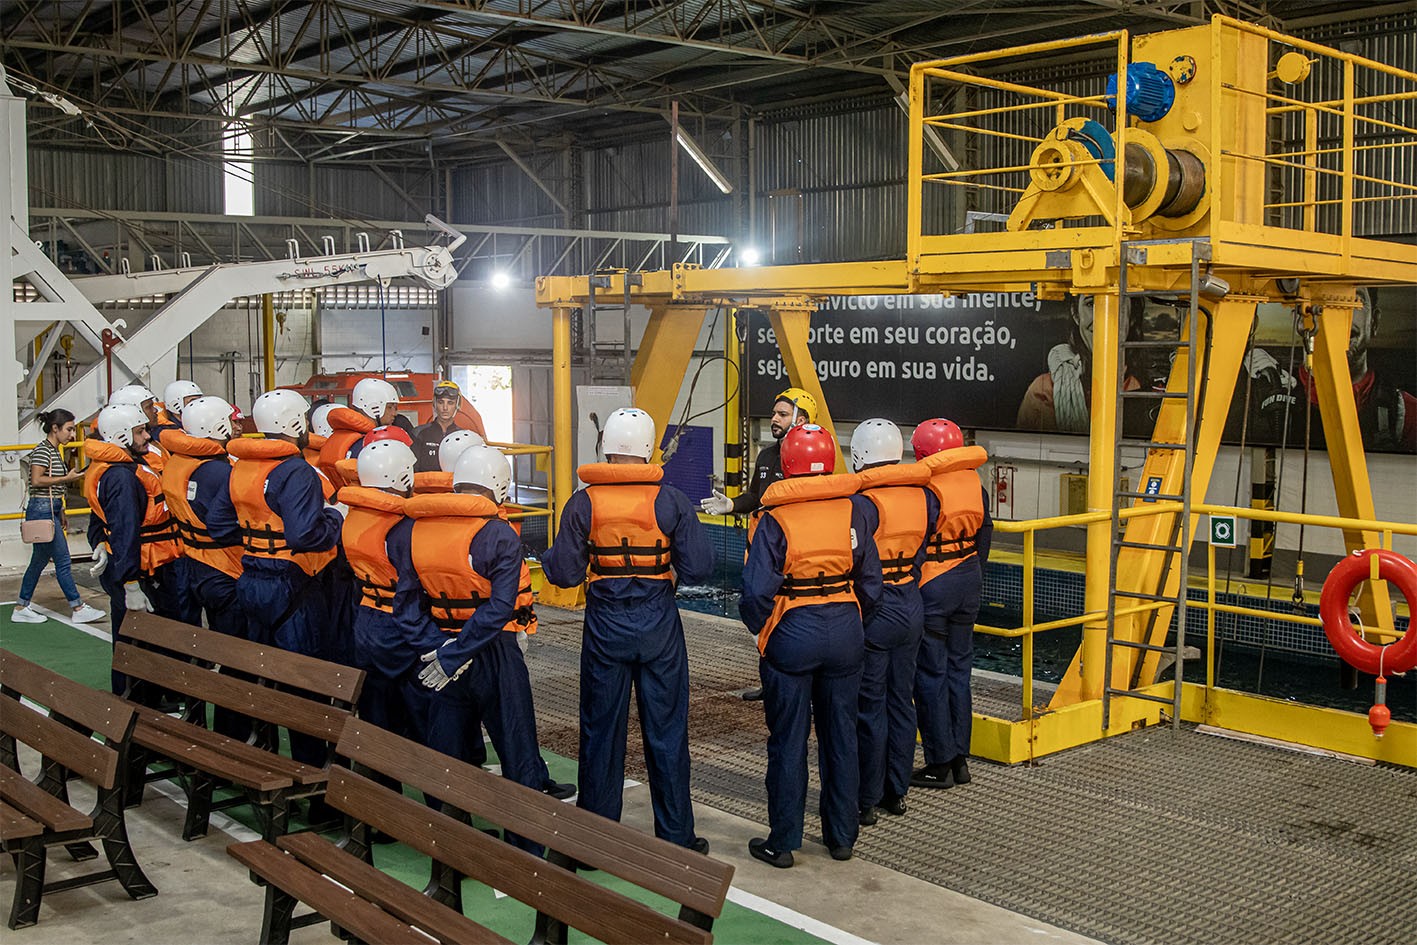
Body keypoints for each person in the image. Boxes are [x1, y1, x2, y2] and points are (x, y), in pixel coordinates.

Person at [543, 407, 714, 852]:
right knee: (667, 730)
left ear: (607, 449)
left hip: (604, 630)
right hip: (659, 627)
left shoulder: (584, 502)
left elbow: (562, 573)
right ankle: (676, 838)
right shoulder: (671, 501)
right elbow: (699, 567)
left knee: (600, 731)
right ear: (648, 449)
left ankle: (595, 842)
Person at [399, 444, 571, 846]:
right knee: (517, 749)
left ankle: (449, 844)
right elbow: (498, 609)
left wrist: (441, 652)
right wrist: (458, 653)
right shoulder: (497, 534)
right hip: (493, 653)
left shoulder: (418, 529)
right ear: (500, 486)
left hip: (439, 653)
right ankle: (525, 847)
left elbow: (406, 605)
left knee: (445, 754)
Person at [739, 423, 881, 869]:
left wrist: (764, 631)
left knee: (788, 741)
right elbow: (871, 581)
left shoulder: (776, 516)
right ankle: (842, 837)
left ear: (787, 465)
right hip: (845, 633)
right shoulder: (854, 509)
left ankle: (783, 843)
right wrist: (854, 619)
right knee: (841, 737)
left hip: (792, 637)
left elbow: (755, 592)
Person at [227, 389, 344, 766]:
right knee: (305, 683)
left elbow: (221, 521)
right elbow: (304, 536)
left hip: (251, 576)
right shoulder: (295, 471)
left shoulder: (242, 465)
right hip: (292, 584)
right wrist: (335, 516)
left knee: (262, 672)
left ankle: (263, 756)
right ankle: (310, 774)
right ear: (294, 423)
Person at [701, 386, 816, 701]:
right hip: (765, 551)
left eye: (782, 413)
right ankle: (771, 682)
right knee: (765, 615)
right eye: (775, 413)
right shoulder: (767, 454)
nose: (774, 418)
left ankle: (803, 685)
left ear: (801, 418)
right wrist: (733, 504)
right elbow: (756, 496)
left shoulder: (815, 456)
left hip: (796, 554)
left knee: (796, 617)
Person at [850, 419, 936, 826]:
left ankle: (865, 799)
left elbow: (856, 560)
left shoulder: (863, 504)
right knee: (902, 701)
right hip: (911, 602)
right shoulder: (924, 496)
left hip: (877, 607)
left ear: (860, 456)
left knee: (870, 707)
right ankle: (896, 791)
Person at [158, 395, 249, 738]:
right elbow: (225, 524)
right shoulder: (218, 471)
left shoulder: (179, 462)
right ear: (217, 426)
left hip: (194, 565)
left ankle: (202, 722)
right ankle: (235, 734)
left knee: (207, 651)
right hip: (224, 571)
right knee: (235, 658)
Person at [910, 419, 992, 790]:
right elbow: (985, 530)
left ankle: (938, 761)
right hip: (969, 577)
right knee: (960, 671)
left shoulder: (926, 488)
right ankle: (960, 759)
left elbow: (915, 542)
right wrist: (973, 567)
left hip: (935, 583)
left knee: (930, 674)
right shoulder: (975, 482)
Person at [84, 403, 183, 692]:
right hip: (141, 568)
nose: (147, 437)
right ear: (121, 436)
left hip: (129, 562)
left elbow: (99, 517)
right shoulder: (123, 477)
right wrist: (131, 582)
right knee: (138, 640)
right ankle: (138, 701)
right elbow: (126, 528)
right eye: (140, 432)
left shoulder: (107, 468)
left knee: (129, 637)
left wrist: (100, 541)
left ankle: (137, 695)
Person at [341, 438, 424, 741]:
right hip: (401, 625)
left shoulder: (353, 517)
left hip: (365, 620)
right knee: (418, 713)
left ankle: (376, 778)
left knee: (376, 711)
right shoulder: (404, 528)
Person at [11, 408, 106, 625]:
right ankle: (78, 607)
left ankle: (21, 606)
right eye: (69, 430)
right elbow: (36, 480)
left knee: (39, 561)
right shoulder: (44, 451)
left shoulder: (53, 451)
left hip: (49, 509)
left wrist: (60, 511)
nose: (72, 435)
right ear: (55, 428)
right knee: (63, 561)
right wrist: (67, 478)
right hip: (42, 509)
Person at [1298, 287, 1417, 453]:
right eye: (1324, 301)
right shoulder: (1268, 395)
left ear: (1374, 321)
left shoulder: (1407, 412)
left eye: (1355, 301)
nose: (1342, 314)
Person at [1016, 295, 1142, 432]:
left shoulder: (1148, 389)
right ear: (1076, 314)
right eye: (1090, 304)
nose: (1102, 318)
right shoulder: (1044, 391)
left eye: (1117, 304)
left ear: (1132, 318)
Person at [412, 380, 487, 472]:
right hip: (426, 485)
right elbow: (412, 470)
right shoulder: (419, 433)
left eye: (450, 403)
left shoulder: (464, 438)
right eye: (441, 402)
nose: (445, 408)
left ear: (457, 405)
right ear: (434, 404)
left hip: (453, 486)